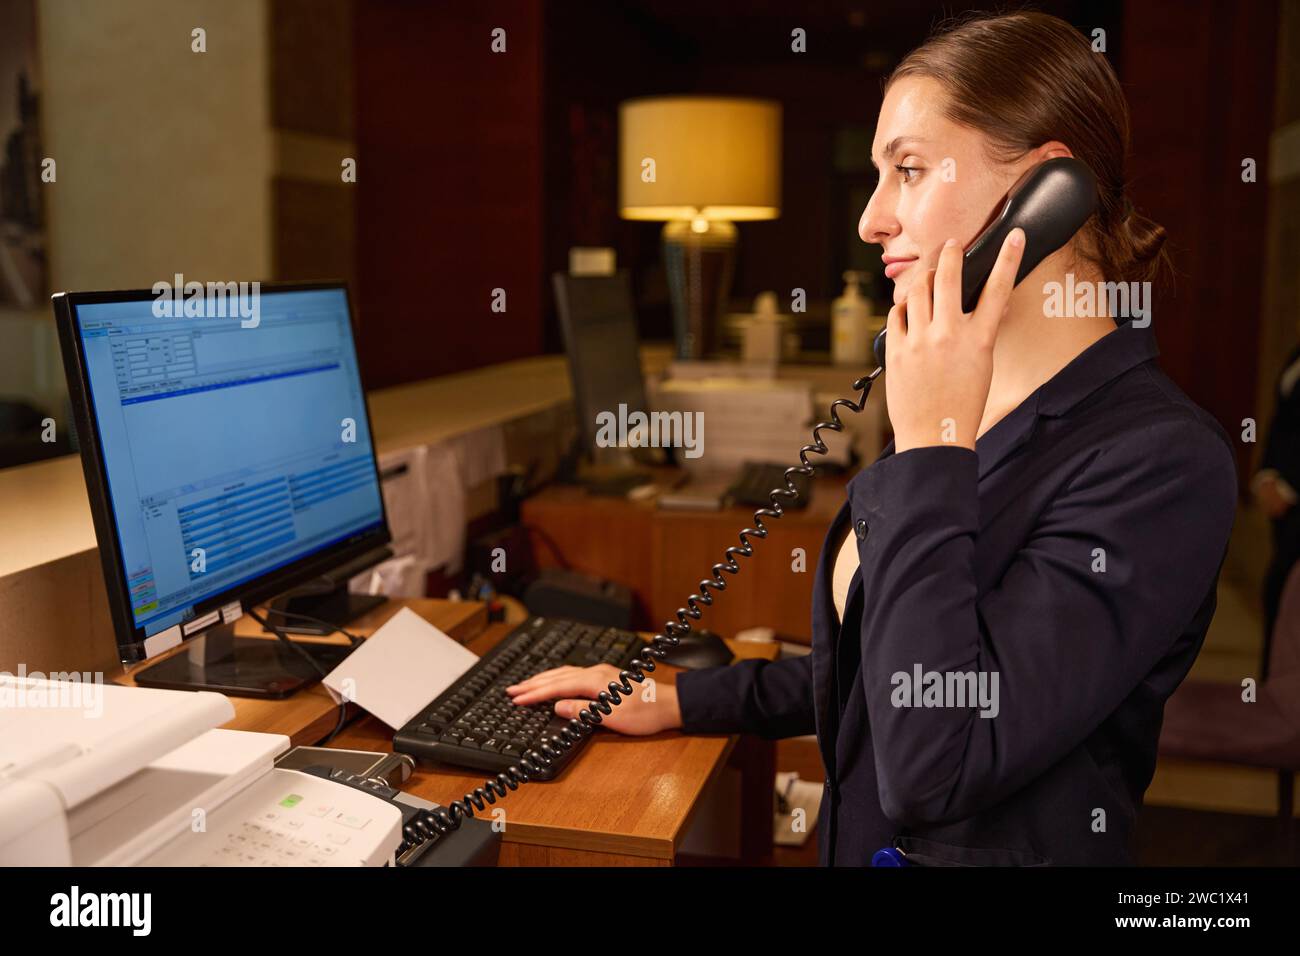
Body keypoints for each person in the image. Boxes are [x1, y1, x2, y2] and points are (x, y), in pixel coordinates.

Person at [509, 11, 1237, 866]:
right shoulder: (968, 394)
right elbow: (885, 654)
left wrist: (932, 444)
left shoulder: (1162, 464)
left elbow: (937, 759)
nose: (871, 220)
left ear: (1046, 194)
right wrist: (685, 700)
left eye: (911, 170)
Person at [1253, 342, 1300, 677]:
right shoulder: (1296, 351)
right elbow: (1283, 420)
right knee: (1278, 595)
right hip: (1286, 503)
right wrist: (1267, 474)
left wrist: (1290, 484)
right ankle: (1272, 691)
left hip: (1296, 494)